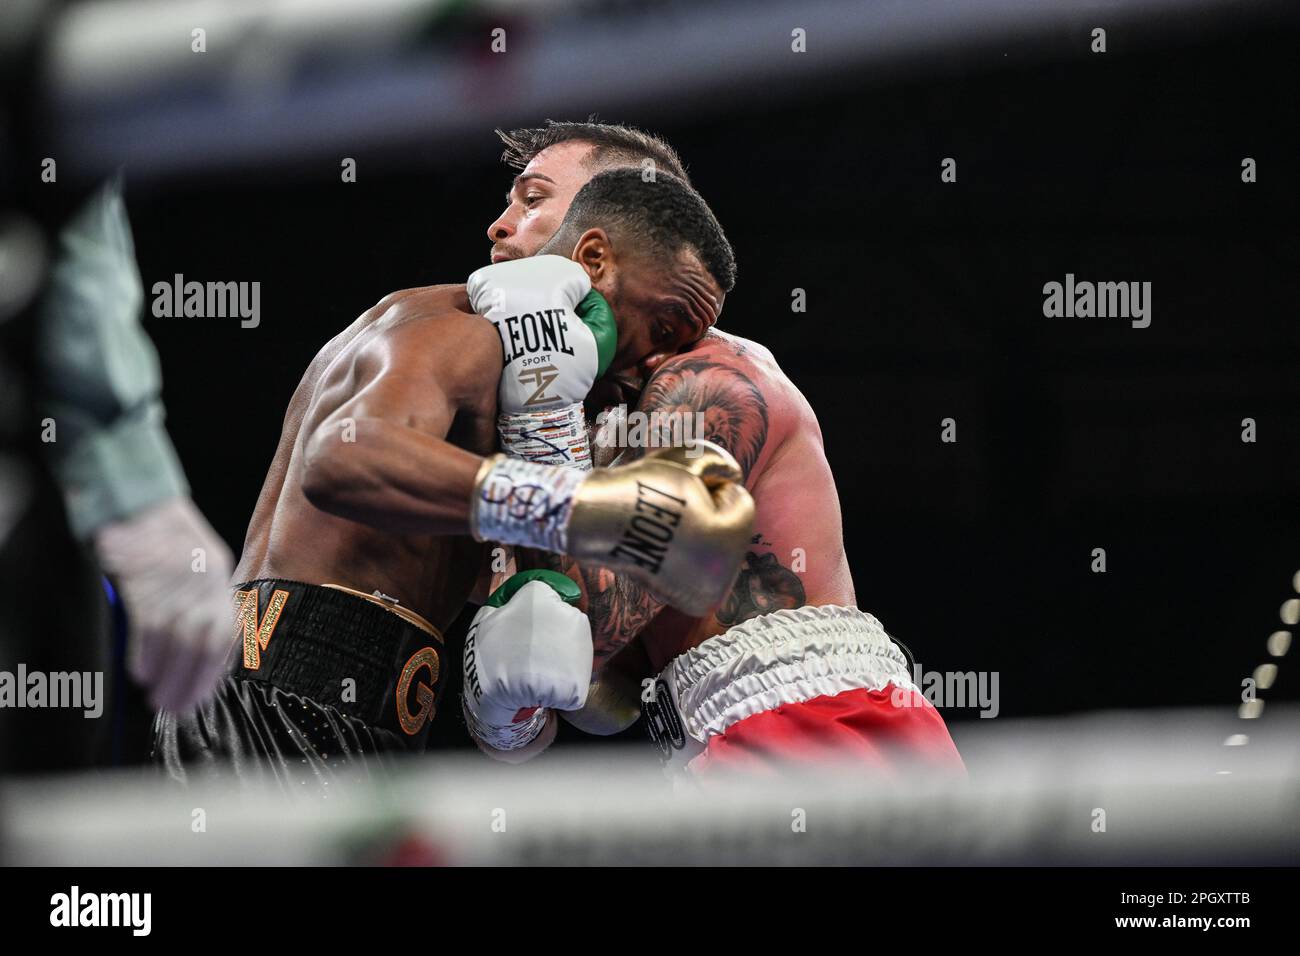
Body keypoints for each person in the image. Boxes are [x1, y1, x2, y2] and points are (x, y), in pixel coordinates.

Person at [152, 168, 752, 789]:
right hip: (282, 697)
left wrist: (513, 711)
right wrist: (585, 506)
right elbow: (343, 460)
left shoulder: (526, 400)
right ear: (593, 260)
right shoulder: (456, 326)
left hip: (353, 708)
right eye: (662, 329)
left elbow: (550, 652)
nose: (657, 363)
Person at [478, 120, 965, 780]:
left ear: (610, 219)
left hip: (820, 728)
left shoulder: (708, 382)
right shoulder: (606, 409)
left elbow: (583, 628)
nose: (499, 227)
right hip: (715, 735)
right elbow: (597, 693)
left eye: (532, 198)